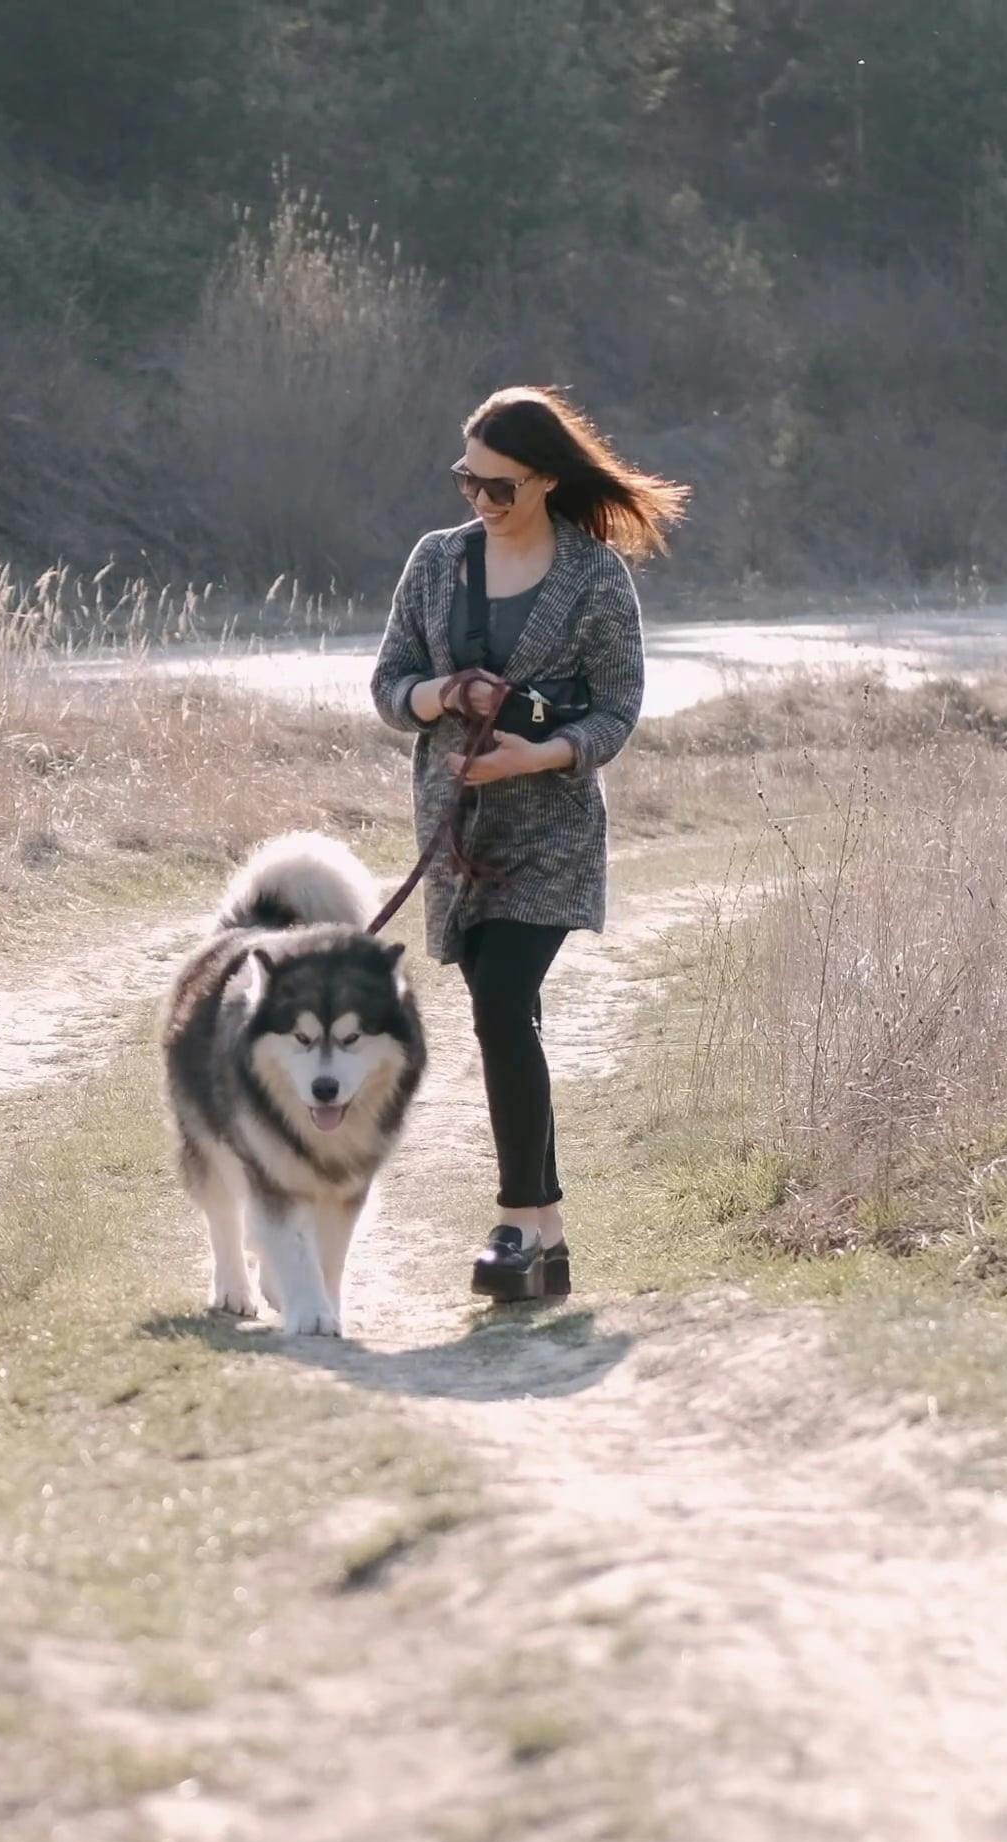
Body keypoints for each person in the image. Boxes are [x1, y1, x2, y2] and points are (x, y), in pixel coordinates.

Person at [368, 386, 688, 1304]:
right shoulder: (436, 563)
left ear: (546, 480)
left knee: (504, 1004)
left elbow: (618, 707)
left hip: (549, 828)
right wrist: (441, 697)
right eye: (467, 479)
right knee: (508, 1019)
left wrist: (537, 754)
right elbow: (389, 685)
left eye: (498, 486)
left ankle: (516, 1222)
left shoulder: (594, 577)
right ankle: (546, 1241)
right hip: (457, 832)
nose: (478, 500)